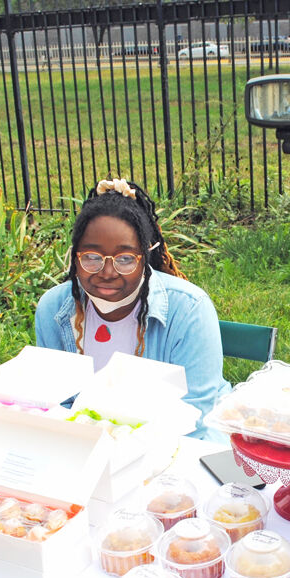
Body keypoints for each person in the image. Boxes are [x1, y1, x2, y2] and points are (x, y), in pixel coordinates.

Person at [35, 178, 229, 437]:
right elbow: (54, 404)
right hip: (86, 446)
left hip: (178, 446)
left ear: (145, 255)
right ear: (75, 256)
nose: (107, 272)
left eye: (125, 259)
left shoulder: (190, 310)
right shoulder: (54, 310)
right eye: (92, 257)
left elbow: (194, 417)